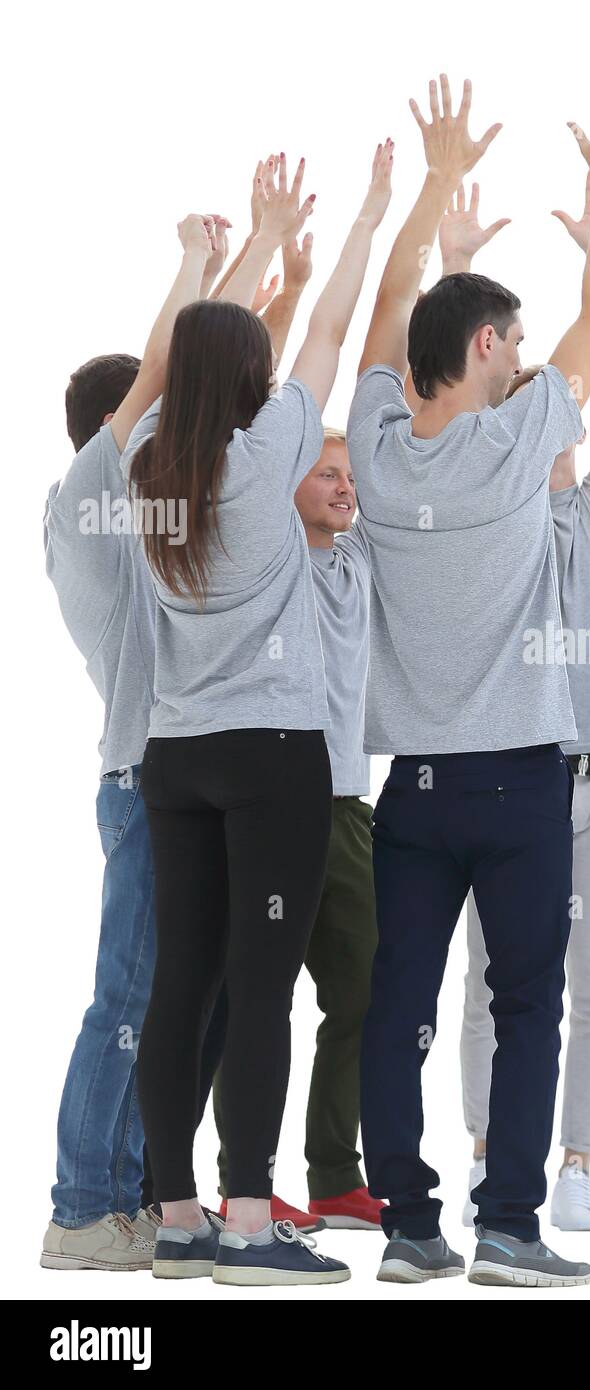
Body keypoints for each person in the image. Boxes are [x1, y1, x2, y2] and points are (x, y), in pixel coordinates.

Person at [350, 74, 590, 1288]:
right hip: (523, 783)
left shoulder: (372, 445)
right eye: (515, 341)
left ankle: (410, 1229)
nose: (530, 356)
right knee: (527, 1006)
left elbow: (384, 312)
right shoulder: (521, 435)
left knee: (399, 1008)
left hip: (412, 790)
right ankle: (510, 1230)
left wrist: (429, 195)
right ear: (487, 346)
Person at [125, 144, 393, 1287]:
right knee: (262, 985)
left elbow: (172, 360)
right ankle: (247, 1218)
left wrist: (240, 253)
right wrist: (353, 221)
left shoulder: (146, 460)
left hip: (173, 754)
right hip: (273, 754)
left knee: (180, 980)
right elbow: (330, 334)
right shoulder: (265, 446)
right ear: (253, 378)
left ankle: (175, 1215)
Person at [454, 172, 590, 1232]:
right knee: (494, 973)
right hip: (520, 770)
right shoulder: (493, 518)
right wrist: (452, 268)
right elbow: (443, 397)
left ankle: (577, 1160)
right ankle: (493, 1150)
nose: (557, 418)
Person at [39, 215, 230, 1269]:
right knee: (129, 994)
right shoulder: (83, 503)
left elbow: (197, 383)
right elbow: (168, 367)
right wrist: (197, 268)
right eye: (150, 415)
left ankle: (149, 1194)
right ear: (119, 424)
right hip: (144, 784)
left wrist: (262, 284)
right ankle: (82, 1205)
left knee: (179, 998)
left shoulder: (141, 509)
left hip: (180, 784)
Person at [208, 430, 385, 1234]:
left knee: (363, 993)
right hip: (276, 807)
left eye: (348, 476)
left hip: (349, 807)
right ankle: (247, 1178)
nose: (344, 487)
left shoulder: (360, 562)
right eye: (325, 474)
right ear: (283, 484)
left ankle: (335, 1178)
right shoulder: (267, 566)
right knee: (257, 997)